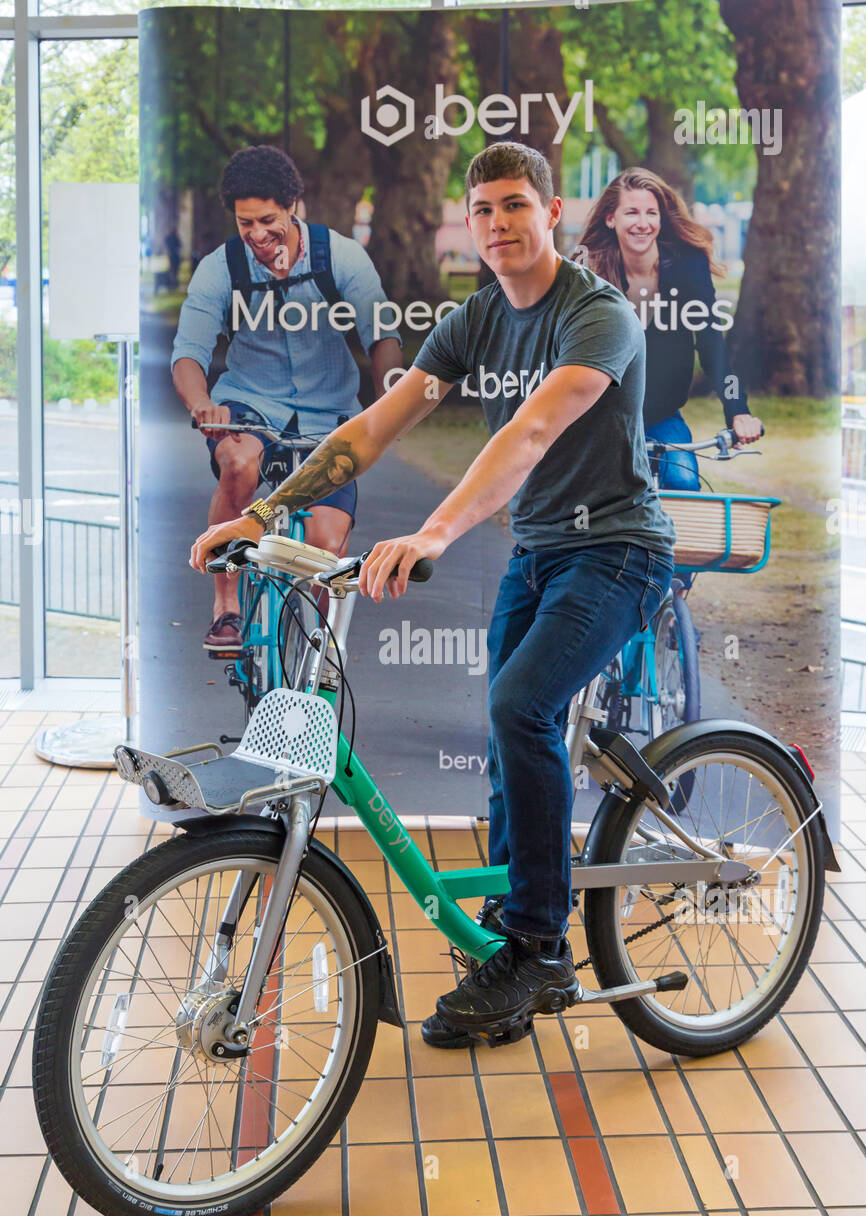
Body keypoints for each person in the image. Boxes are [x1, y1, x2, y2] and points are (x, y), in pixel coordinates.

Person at [190, 140, 676, 1047]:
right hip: (538, 553)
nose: (498, 226)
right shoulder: (480, 318)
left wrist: (434, 531)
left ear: (554, 211)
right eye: (483, 209)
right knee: (508, 739)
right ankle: (510, 954)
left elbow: (530, 434)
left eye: (515, 206)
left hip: (616, 550)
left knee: (520, 707)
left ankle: (537, 946)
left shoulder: (597, 314)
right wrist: (264, 516)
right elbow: (375, 426)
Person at [172, 144, 402, 648]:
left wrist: (390, 390)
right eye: (244, 222)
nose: (256, 234)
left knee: (323, 546)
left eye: (267, 219)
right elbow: (189, 350)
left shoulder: (339, 255)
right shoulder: (222, 267)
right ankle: (227, 603)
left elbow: (381, 331)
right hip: (250, 404)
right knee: (237, 463)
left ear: (294, 204)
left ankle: (318, 653)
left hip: (330, 415)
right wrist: (201, 405)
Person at [578, 167, 762, 491]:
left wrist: (739, 411)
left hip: (662, 414)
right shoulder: (588, 273)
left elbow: (713, 348)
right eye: (631, 212)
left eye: (652, 213)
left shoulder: (688, 266)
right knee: (594, 496)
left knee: (684, 483)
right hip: (599, 417)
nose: (642, 223)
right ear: (611, 219)